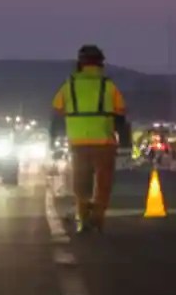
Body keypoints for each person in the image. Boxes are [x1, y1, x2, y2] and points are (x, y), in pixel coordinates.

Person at [50, 45, 129, 234]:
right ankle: (97, 217)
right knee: (103, 182)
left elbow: (57, 109)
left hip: (77, 142)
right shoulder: (108, 85)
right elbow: (120, 112)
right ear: (101, 63)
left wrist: (57, 134)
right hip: (103, 142)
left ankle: (83, 216)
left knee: (81, 181)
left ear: (80, 63)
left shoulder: (69, 85)